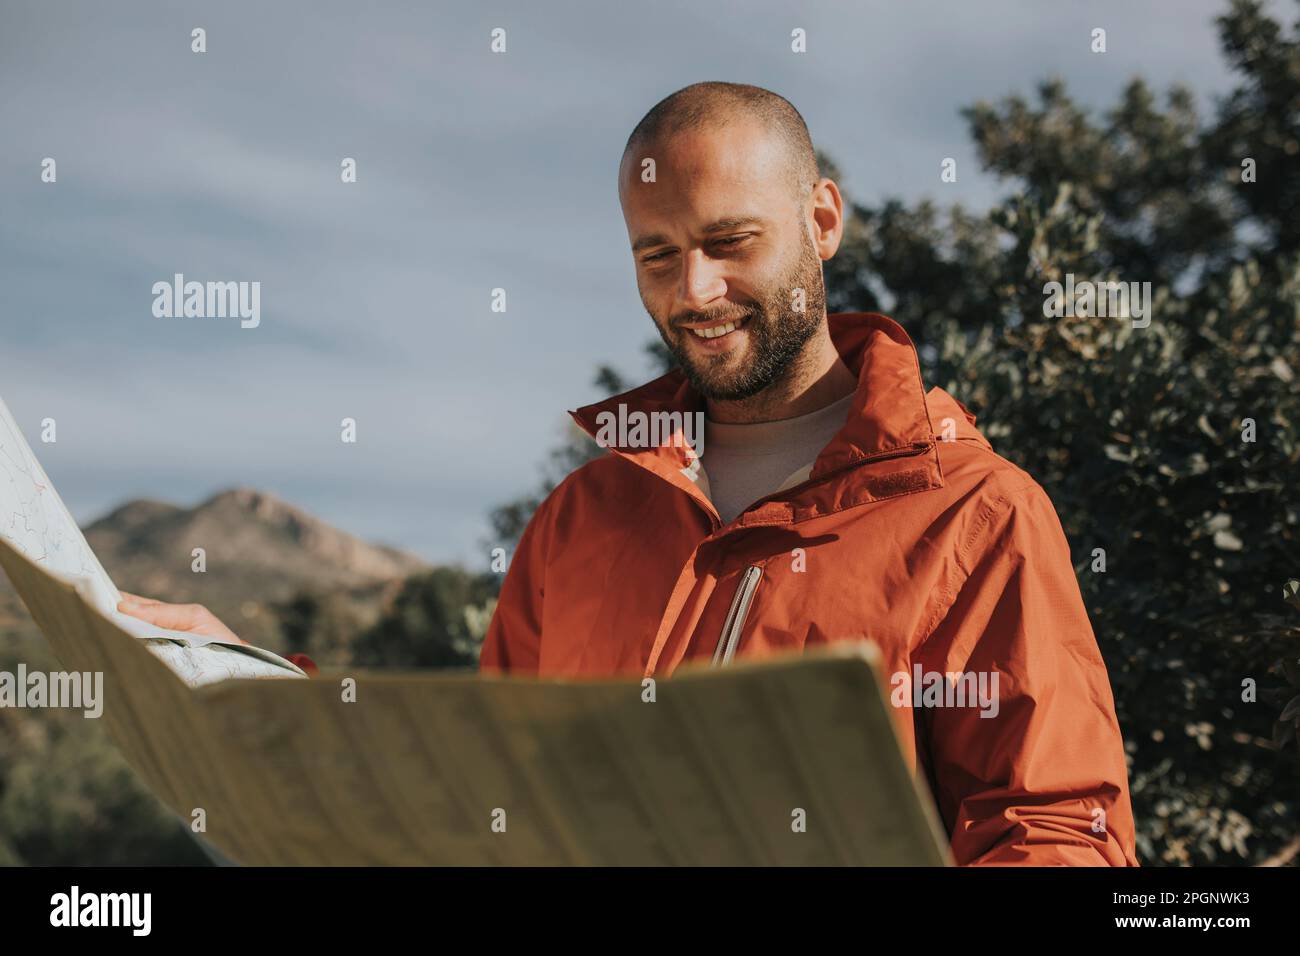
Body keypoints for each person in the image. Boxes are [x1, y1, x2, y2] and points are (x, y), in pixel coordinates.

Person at [122, 81, 1139, 867]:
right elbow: (482, 788)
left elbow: (1056, 826)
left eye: (729, 242)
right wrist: (250, 686)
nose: (693, 291)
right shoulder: (584, 515)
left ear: (820, 220)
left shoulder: (974, 512)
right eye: (656, 256)